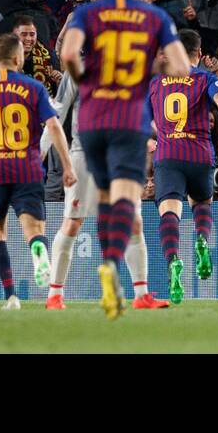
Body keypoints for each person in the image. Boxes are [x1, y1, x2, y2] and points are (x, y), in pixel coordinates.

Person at [59, 0, 191, 320]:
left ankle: (120, 279)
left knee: (104, 201)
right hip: (130, 119)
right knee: (126, 202)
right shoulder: (154, 16)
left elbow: (68, 54)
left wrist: (86, 82)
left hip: (93, 121)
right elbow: (181, 67)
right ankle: (112, 269)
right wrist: (151, 67)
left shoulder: (87, 12)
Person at [0, 33, 76, 311]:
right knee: (34, 229)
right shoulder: (33, 88)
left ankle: (11, 297)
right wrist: (67, 166)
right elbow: (54, 127)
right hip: (27, 167)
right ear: (19, 58)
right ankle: (38, 252)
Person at [43, 73, 164, 311]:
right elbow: (57, 112)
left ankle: (141, 295)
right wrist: (41, 150)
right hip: (85, 156)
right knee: (73, 222)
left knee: (134, 222)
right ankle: (54, 294)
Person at [149, 29, 218, 304]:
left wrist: (150, 139)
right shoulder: (206, 77)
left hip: (168, 154)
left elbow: (144, 121)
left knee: (169, 213)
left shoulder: (157, 82)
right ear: (199, 52)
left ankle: (173, 261)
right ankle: (201, 240)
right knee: (202, 205)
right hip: (200, 154)